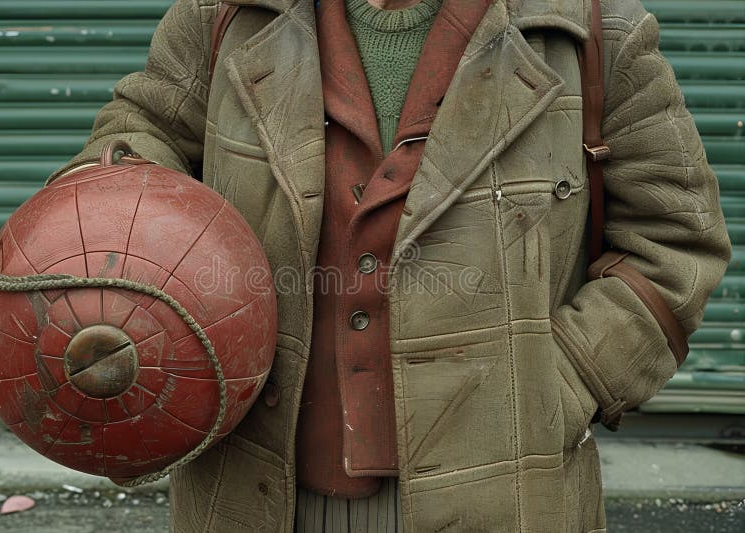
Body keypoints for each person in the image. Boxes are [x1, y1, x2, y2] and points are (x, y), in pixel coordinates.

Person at [51, 0, 731, 531]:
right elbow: (137, 139)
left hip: (506, 495)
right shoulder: (223, 20)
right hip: (256, 490)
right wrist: (116, 221)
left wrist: (560, 381)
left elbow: (675, 242)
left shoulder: (592, 32)